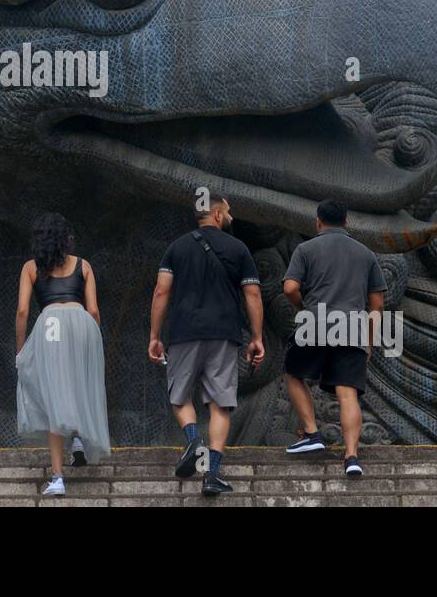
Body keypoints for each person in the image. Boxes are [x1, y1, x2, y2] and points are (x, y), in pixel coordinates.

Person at [149, 194, 264, 497]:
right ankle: (211, 475)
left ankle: (192, 439)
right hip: (224, 334)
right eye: (228, 211)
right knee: (219, 404)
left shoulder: (177, 248)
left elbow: (161, 291)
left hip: (184, 332)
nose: (231, 217)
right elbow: (252, 295)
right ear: (215, 213)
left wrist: (155, 335)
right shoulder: (238, 249)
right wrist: (257, 337)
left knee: (179, 396)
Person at [281, 199, 386, 477]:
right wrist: (369, 342)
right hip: (352, 327)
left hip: (314, 321)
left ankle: (313, 435)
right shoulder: (365, 254)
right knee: (347, 392)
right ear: (346, 222)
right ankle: (351, 456)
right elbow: (377, 304)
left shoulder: (306, 249)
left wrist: (303, 308)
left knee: (293, 374)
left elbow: (290, 287)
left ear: (318, 221)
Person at [15, 212, 111, 497]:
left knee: (53, 396)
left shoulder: (30, 268)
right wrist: (91, 338)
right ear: (66, 239)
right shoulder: (84, 265)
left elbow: (22, 311)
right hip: (82, 323)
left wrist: (21, 348)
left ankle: (57, 478)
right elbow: (93, 310)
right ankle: (79, 440)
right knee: (79, 383)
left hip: (50, 326)